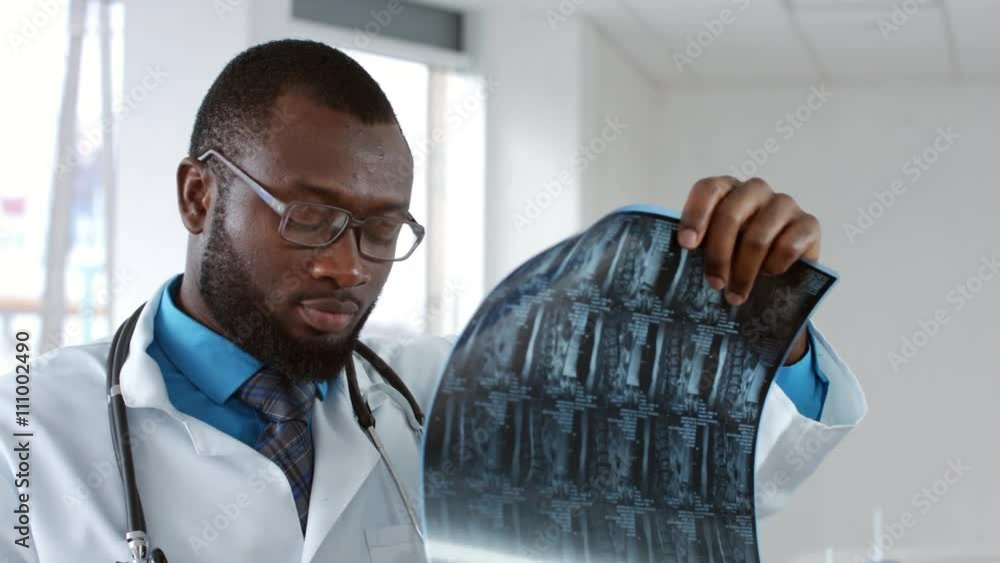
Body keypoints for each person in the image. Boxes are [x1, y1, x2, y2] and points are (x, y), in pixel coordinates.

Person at [0, 39, 867, 563]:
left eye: (383, 230)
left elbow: (684, 475)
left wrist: (760, 320)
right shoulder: (27, 431)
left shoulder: (450, 394)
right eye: (310, 219)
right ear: (199, 196)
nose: (349, 268)